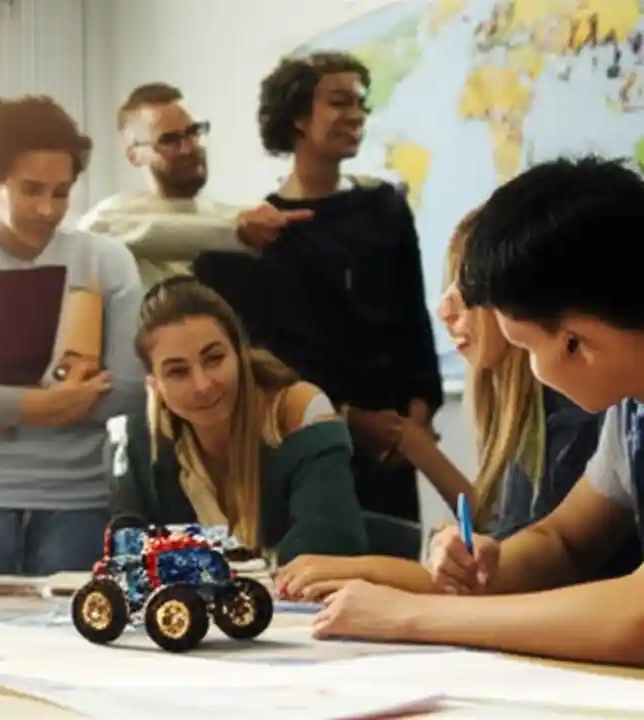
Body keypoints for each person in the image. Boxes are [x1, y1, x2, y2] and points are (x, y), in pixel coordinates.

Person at [313, 156, 644, 667]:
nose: (531, 368)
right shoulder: (630, 410)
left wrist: (409, 616)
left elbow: (636, 617)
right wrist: (492, 563)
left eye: (528, 346)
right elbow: (566, 541)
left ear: (579, 343)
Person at [277, 209, 636, 599]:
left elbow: (617, 607)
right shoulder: (613, 415)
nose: (445, 309)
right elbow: (559, 543)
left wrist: (405, 608)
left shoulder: (584, 412)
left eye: (469, 288)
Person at [0, 95, 144, 577]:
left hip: (78, 504)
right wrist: (51, 404)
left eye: (61, 192)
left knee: (71, 650)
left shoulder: (107, 260)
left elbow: (128, 388)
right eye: (31, 189)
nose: (47, 208)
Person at [239, 51, 451, 553]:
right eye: (338, 102)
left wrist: (416, 416)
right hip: (313, 438)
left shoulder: (386, 208)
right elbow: (277, 355)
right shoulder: (264, 229)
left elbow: (413, 319)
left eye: (361, 103)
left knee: (398, 568)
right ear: (296, 116)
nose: (355, 115)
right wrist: (352, 419)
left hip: (397, 444)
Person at [112, 277, 367, 563]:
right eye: (177, 372)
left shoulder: (296, 411)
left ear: (240, 353)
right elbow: (128, 553)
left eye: (215, 359)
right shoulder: (140, 439)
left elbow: (330, 543)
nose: (202, 385)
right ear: (153, 383)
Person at [79, 82, 314, 291]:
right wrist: (235, 233)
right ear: (134, 156)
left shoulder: (231, 218)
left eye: (193, 132)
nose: (189, 148)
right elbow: (139, 231)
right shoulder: (111, 220)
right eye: (169, 140)